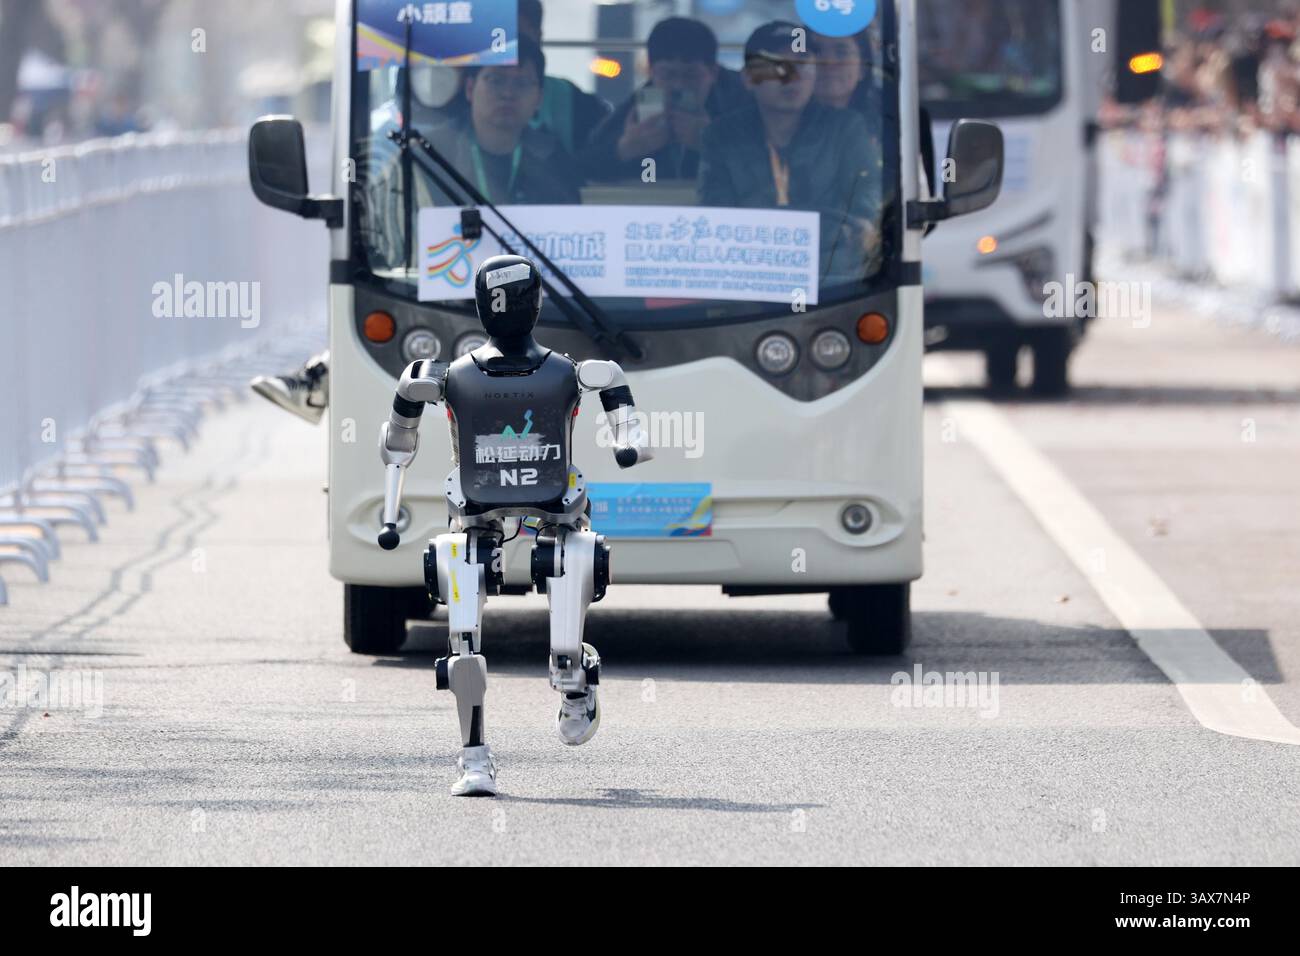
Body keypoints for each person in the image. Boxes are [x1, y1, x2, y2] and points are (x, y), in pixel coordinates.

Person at [376, 255, 654, 796]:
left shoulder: (444, 376)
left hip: (552, 502)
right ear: (539, 304)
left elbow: (396, 444)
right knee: (462, 631)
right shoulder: (566, 371)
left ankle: (572, 674)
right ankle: (474, 756)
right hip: (479, 507)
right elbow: (397, 442)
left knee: (570, 559)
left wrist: (629, 440)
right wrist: (629, 441)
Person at [252, 37, 579, 421]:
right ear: (470, 88)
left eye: (522, 84)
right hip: (446, 300)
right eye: (496, 80)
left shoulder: (555, 158)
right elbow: (385, 253)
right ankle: (325, 370)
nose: (508, 94)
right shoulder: (419, 157)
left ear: (539, 96)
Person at [698, 21, 882, 280]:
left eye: (802, 64)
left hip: (833, 277)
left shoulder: (846, 128)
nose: (791, 77)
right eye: (775, 66)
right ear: (748, 78)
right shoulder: (722, 135)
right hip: (747, 277)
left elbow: (865, 212)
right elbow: (716, 216)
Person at [582, 17, 747, 183]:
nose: (679, 85)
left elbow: (769, 168)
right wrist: (624, 150)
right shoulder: (638, 108)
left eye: (690, 75)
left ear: (713, 73)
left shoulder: (744, 101)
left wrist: (715, 144)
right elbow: (582, 166)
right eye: (668, 75)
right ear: (652, 73)